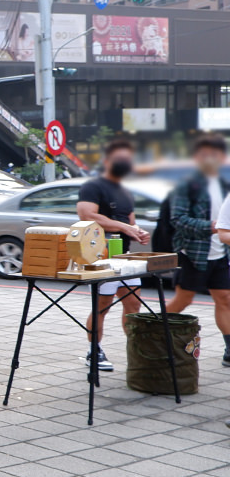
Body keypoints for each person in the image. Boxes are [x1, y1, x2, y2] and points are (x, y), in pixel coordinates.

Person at [77, 140, 150, 372]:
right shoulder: (93, 186)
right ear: (107, 161)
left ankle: (136, 349)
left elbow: (130, 220)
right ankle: (94, 351)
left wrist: (137, 231)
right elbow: (87, 215)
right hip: (100, 255)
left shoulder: (126, 191)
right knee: (102, 306)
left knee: (133, 304)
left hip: (125, 256)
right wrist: (124, 227)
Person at [167, 136, 230, 362]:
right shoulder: (187, 184)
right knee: (183, 300)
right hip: (193, 253)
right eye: (205, 154)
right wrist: (212, 227)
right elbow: (178, 219)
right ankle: (154, 332)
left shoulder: (224, 184)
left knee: (225, 299)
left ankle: (229, 351)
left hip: (221, 253)